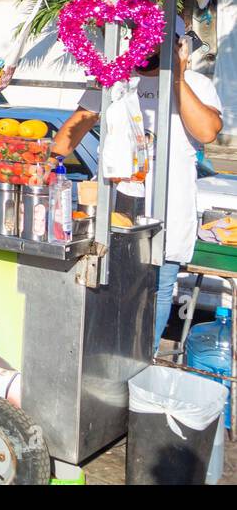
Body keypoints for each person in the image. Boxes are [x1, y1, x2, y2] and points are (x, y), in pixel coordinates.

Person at [53, 20, 222, 351]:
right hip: (117, 214)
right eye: (145, 42)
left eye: (160, 43)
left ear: (177, 46)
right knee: (106, 300)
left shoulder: (194, 84)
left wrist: (175, 76)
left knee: (154, 303)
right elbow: (64, 142)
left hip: (168, 217)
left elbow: (206, 132)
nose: (150, 50)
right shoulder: (117, 81)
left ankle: (141, 366)